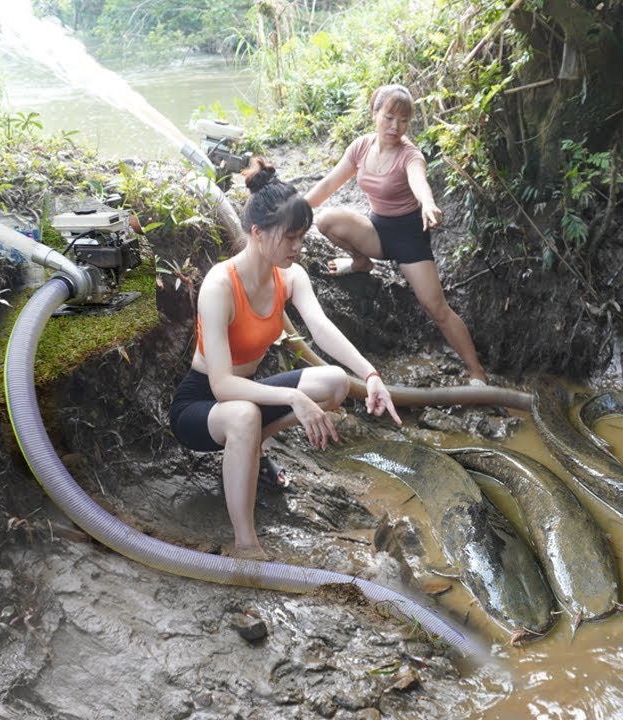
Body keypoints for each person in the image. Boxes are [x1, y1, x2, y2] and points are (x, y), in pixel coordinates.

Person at [169, 157, 402, 560]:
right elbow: (222, 385)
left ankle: (251, 450)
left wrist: (370, 373)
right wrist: (293, 398)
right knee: (243, 414)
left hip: (250, 398)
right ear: (257, 233)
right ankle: (245, 543)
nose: (299, 247)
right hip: (202, 405)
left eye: (302, 236)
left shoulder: (290, 277)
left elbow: (322, 328)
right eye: (290, 237)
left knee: (333, 382)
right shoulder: (220, 285)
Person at [304, 84, 488, 386]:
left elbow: (419, 181)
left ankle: (477, 373)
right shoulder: (361, 147)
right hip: (377, 231)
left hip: (410, 238)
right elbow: (328, 185)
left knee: (435, 307)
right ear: (374, 114)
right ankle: (361, 262)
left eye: (403, 121)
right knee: (327, 220)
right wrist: (296, 209)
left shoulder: (410, 154)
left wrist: (428, 204)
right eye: (389, 117)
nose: (395, 127)